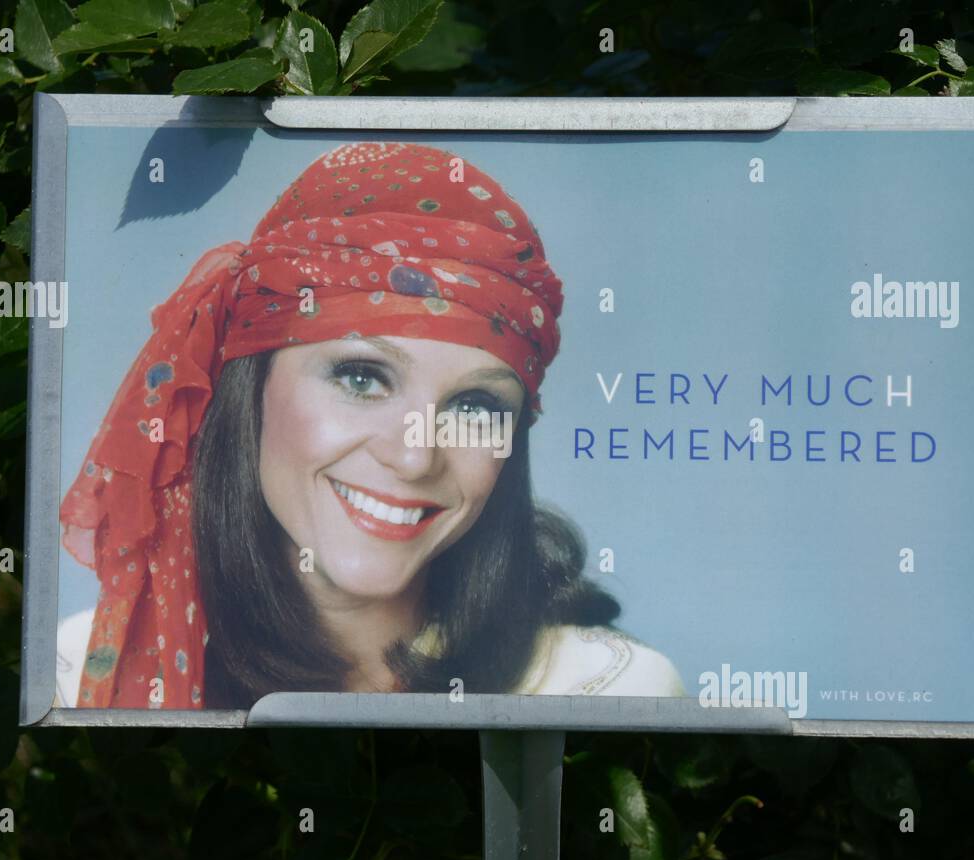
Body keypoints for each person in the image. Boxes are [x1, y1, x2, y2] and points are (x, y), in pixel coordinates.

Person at [57, 140, 683, 710]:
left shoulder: (611, 692)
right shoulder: (81, 678)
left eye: (474, 407)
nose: (414, 458)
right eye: (361, 379)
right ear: (252, 386)